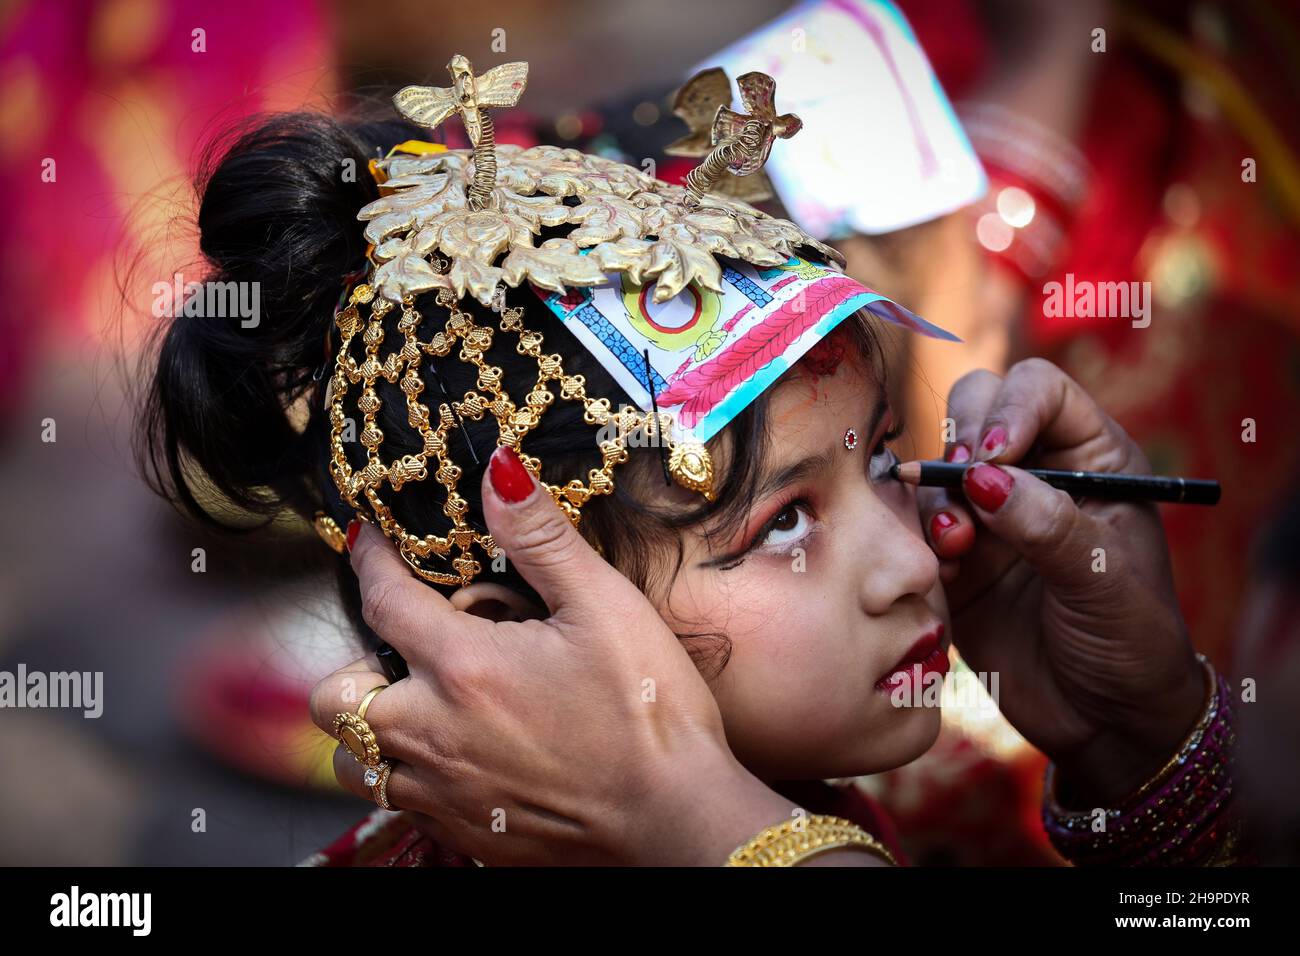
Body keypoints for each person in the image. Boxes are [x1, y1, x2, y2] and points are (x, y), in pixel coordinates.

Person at [140, 54, 1244, 867]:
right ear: (513, 637)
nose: (912, 561)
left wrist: (1134, 749)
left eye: (886, 460)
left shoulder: (928, 792)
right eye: (783, 523)